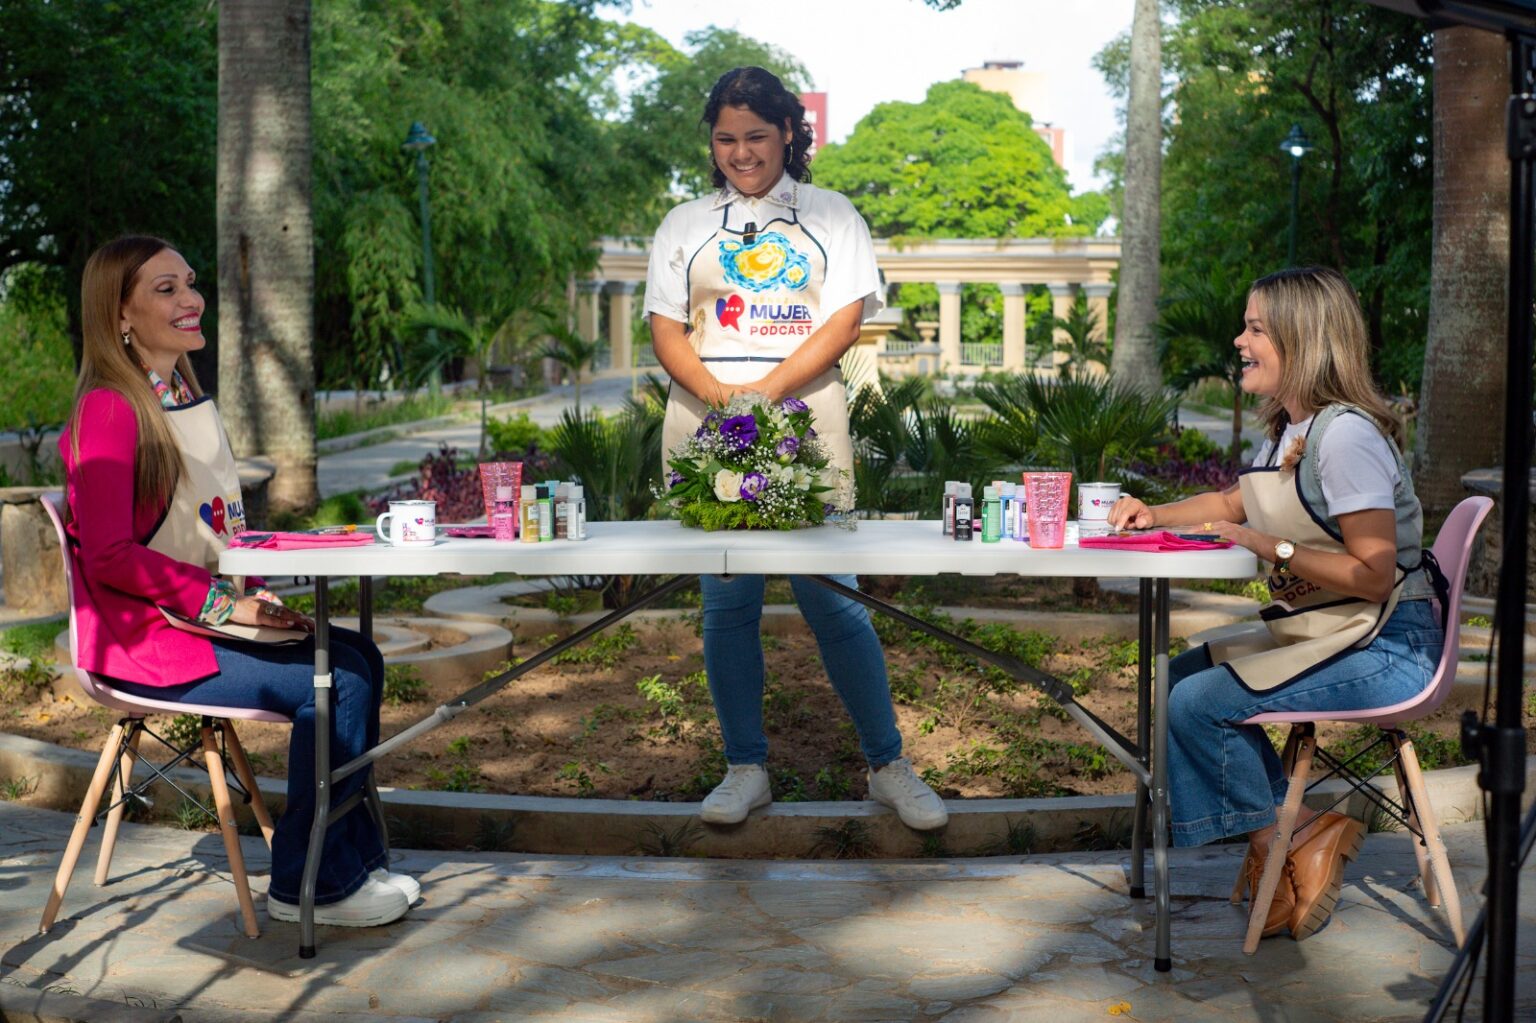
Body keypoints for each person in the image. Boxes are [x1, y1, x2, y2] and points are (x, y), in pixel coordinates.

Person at [61, 236, 417, 927]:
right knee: (337, 679)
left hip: (192, 617)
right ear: (120, 314)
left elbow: (211, 525)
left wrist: (255, 595)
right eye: (165, 289)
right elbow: (108, 554)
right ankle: (311, 884)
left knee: (360, 656)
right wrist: (227, 601)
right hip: (145, 640)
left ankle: (354, 858)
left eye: (189, 283)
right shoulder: (110, 408)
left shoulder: (178, 394)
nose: (191, 299)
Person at [645, 67, 946, 830]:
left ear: (788, 133)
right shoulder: (683, 222)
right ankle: (746, 768)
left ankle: (888, 764)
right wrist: (725, 402)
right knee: (727, 603)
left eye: (755, 135)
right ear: (710, 143)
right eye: (725, 138)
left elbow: (843, 320)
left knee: (834, 598)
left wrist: (769, 392)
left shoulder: (833, 215)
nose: (741, 152)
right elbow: (666, 329)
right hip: (707, 419)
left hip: (807, 414)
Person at [1107, 266, 1443, 940]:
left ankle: (1288, 840)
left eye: (1255, 328)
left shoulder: (1344, 438)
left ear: (1302, 339)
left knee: (1197, 704)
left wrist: (1273, 548)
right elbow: (1230, 503)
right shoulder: (1292, 430)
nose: (1239, 340)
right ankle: (1294, 839)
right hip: (1335, 627)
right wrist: (1154, 511)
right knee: (1178, 675)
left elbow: (1375, 574)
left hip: (1388, 645)